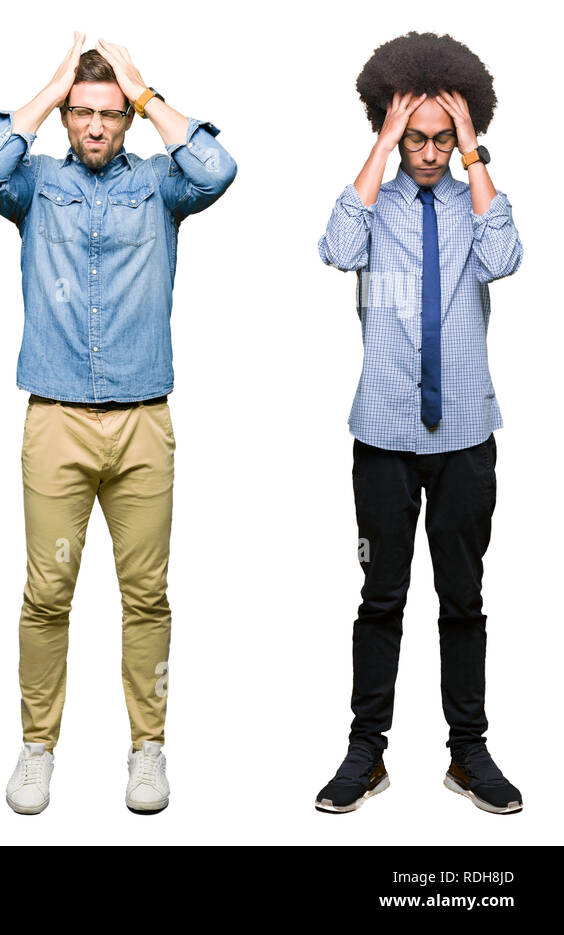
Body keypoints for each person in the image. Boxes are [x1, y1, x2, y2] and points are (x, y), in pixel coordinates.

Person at [0, 32, 236, 815]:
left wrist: (145, 92)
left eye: (108, 114)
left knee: (146, 594)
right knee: (47, 594)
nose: (94, 127)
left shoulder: (160, 186)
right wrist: (48, 90)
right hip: (56, 421)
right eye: (82, 112)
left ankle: (148, 748)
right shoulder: (36, 185)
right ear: (65, 117)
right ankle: (36, 746)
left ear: (127, 120)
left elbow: (220, 168)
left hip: (144, 421)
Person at [315, 31, 523, 815]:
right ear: (393, 129)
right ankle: (365, 752)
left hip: (466, 433)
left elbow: (505, 257)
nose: (430, 151)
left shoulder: (478, 198)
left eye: (444, 137)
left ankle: (468, 752)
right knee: (381, 598)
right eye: (419, 137)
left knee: (463, 597)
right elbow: (335, 246)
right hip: (384, 436)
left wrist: (475, 151)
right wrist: (383, 143)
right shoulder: (375, 203)